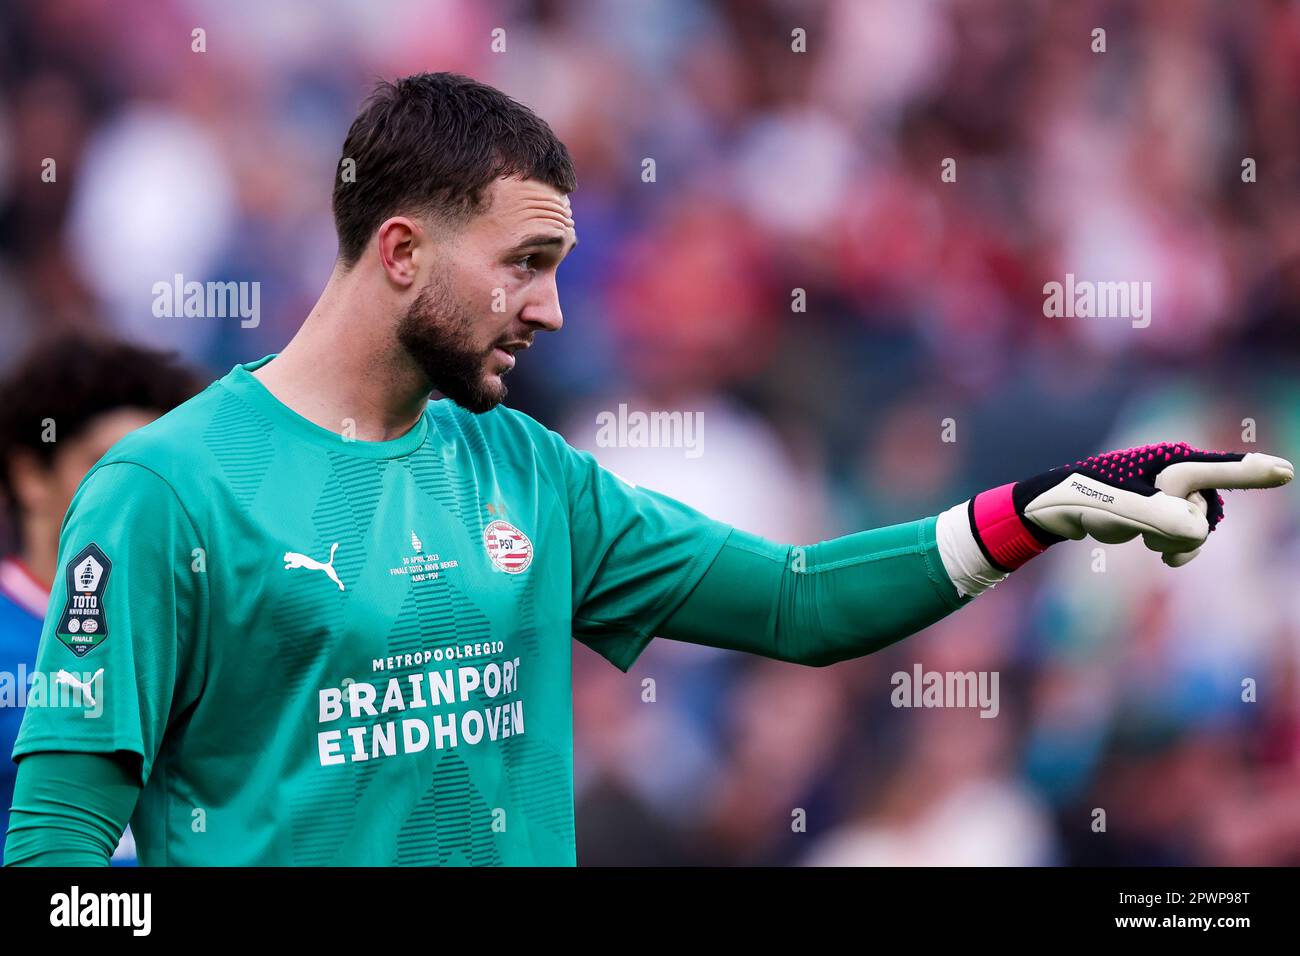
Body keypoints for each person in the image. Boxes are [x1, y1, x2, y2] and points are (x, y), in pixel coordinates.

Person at [4, 73, 1291, 866]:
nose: (552, 310)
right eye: (523, 261)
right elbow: (60, 859)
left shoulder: (526, 472)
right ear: (400, 251)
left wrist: (1034, 512)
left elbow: (796, 601)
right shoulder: (162, 490)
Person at [0, 334, 202, 863]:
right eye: (107, 464)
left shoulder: (201, 630)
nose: (139, 493)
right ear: (30, 476)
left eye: (159, 470)